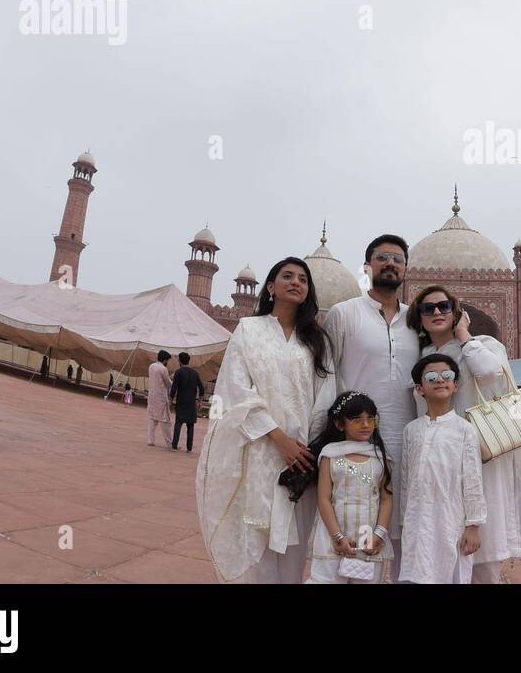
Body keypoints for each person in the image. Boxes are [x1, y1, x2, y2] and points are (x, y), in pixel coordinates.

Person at [196, 256, 337, 584]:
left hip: (302, 458)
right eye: (287, 276)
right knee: (256, 541)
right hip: (259, 450)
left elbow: (326, 395)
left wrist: (310, 449)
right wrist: (278, 438)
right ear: (270, 287)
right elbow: (236, 390)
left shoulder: (315, 340)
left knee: (293, 548)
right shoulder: (249, 330)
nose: (296, 282)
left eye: (302, 279)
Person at [408, 285, 521, 582]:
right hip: (439, 462)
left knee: (481, 556)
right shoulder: (421, 355)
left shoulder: (482, 345)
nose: (436, 313)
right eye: (427, 309)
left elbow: (490, 374)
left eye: (444, 306)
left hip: (482, 456)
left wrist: (464, 336)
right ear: (419, 318)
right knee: (441, 549)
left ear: (456, 312)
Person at [321, 235, 419, 579]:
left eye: (397, 259)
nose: (390, 263)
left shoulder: (416, 321)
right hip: (357, 448)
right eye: (382, 257)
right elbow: (327, 379)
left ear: (406, 268)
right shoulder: (344, 314)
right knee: (356, 538)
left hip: (407, 444)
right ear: (368, 266)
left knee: (408, 531)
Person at [399, 353, 486, 584]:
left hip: (451, 520)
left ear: (455, 385)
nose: (440, 380)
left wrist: (473, 525)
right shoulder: (411, 430)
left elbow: (473, 479)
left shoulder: (464, 430)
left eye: (446, 375)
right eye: (431, 376)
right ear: (420, 388)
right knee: (420, 573)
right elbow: (406, 481)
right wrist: (406, 520)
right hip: (418, 521)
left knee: (450, 572)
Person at [306, 391, 394, 584]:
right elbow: (323, 499)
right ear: (339, 423)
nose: (365, 425)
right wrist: (338, 537)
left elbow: (387, 498)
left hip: (367, 534)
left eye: (370, 418)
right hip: (333, 535)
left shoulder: (380, 457)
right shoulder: (330, 455)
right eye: (356, 419)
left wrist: (378, 534)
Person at [169, 352, 206, 452]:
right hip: (191, 402)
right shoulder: (195, 373)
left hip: (181, 401)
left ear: (180, 361)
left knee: (178, 423)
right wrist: (200, 401)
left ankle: (174, 445)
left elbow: (174, 388)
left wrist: (171, 400)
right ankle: (189, 448)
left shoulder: (178, 372)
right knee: (190, 426)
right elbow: (201, 388)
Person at [146, 351, 174, 447]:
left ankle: (150, 440)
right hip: (161, 397)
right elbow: (169, 384)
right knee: (166, 421)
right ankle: (170, 443)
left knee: (152, 418)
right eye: (167, 360)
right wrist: (172, 379)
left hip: (152, 396)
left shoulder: (151, 366)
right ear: (165, 359)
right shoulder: (163, 369)